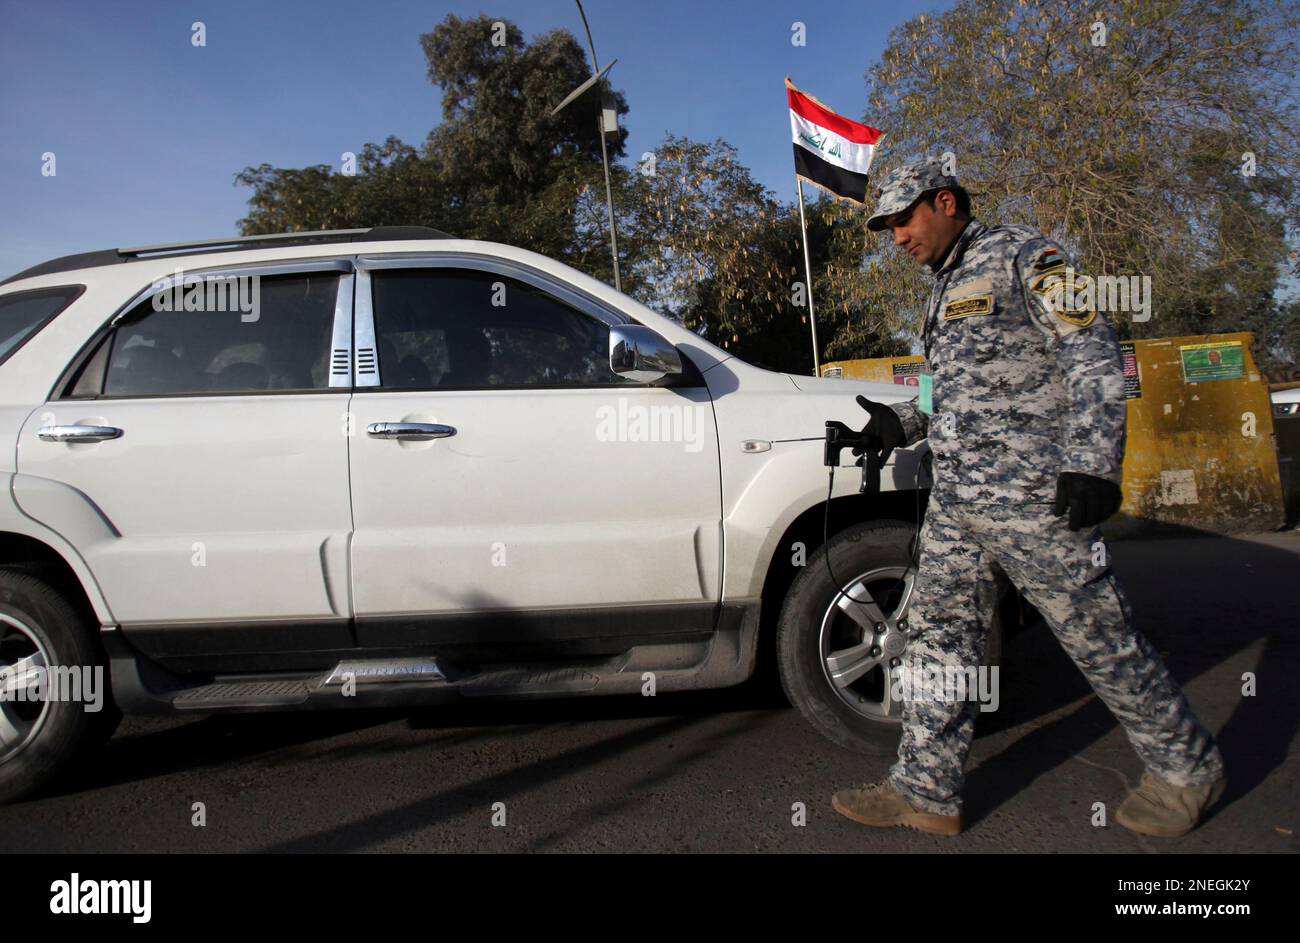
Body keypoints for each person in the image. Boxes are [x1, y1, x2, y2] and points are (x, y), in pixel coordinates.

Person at [831, 155, 1226, 838]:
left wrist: (1095, 459)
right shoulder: (943, 285)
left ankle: (1187, 767)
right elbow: (957, 387)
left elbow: (1090, 345)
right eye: (889, 224)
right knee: (935, 642)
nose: (896, 236)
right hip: (957, 502)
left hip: (1033, 498)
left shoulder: (1028, 255)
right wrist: (901, 420)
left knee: (1097, 633)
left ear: (945, 201)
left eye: (903, 218)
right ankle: (925, 789)